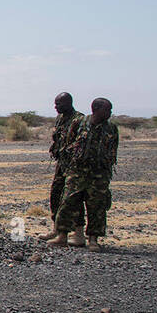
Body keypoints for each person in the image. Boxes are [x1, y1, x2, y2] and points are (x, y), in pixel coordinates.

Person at [48, 97, 118, 252]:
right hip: (77, 172)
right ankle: (62, 236)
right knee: (68, 203)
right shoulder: (79, 123)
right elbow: (68, 145)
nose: (110, 113)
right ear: (97, 109)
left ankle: (93, 239)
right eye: (108, 110)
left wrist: (106, 172)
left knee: (97, 207)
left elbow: (113, 152)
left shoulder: (111, 128)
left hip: (99, 175)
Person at [39, 92, 85, 244]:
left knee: (73, 198)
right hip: (62, 164)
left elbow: (80, 144)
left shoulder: (79, 120)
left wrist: (67, 151)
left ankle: (78, 234)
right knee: (56, 194)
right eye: (55, 104)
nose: (56, 107)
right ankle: (57, 229)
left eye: (59, 104)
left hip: (75, 166)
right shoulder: (60, 119)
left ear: (68, 103)